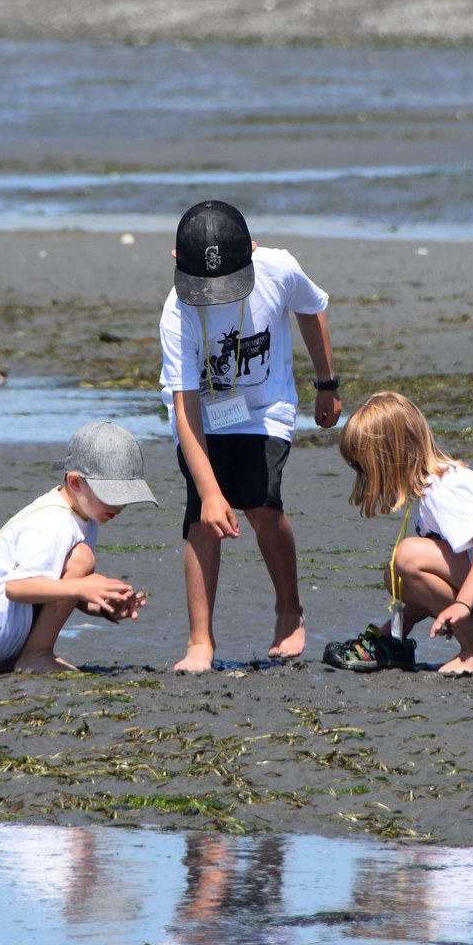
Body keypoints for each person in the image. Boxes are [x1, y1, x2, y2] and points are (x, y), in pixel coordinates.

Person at [159, 200, 341, 672]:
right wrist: (210, 493)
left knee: (261, 504)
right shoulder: (177, 313)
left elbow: (311, 308)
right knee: (203, 518)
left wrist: (327, 384)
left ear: (253, 251)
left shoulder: (279, 268)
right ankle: (200, 641)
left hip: (265, 409)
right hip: (202, 419)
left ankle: (289, 608)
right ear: (177, 261)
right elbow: (186, 409)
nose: (215, 295)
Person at [327, 391, 473, 674]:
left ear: (388, 458)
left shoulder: (441, 490)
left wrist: (462, 604)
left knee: (409, 556)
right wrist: (394, 631)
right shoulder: (430, 490)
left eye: (360, 466)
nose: (360, 476)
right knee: (397, 577)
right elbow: (427, 588)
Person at [0, 421, 153, 674]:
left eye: (127, 496)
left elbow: (60, 590)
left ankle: (11, 660)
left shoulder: (82, 515)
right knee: (82, 559)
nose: (120, 505)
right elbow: (16, 588)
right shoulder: (53, 522)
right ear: (75, 482)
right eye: (111, 494)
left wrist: (103, 607)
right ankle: (36, 656)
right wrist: (82, 586)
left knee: (79, 563)